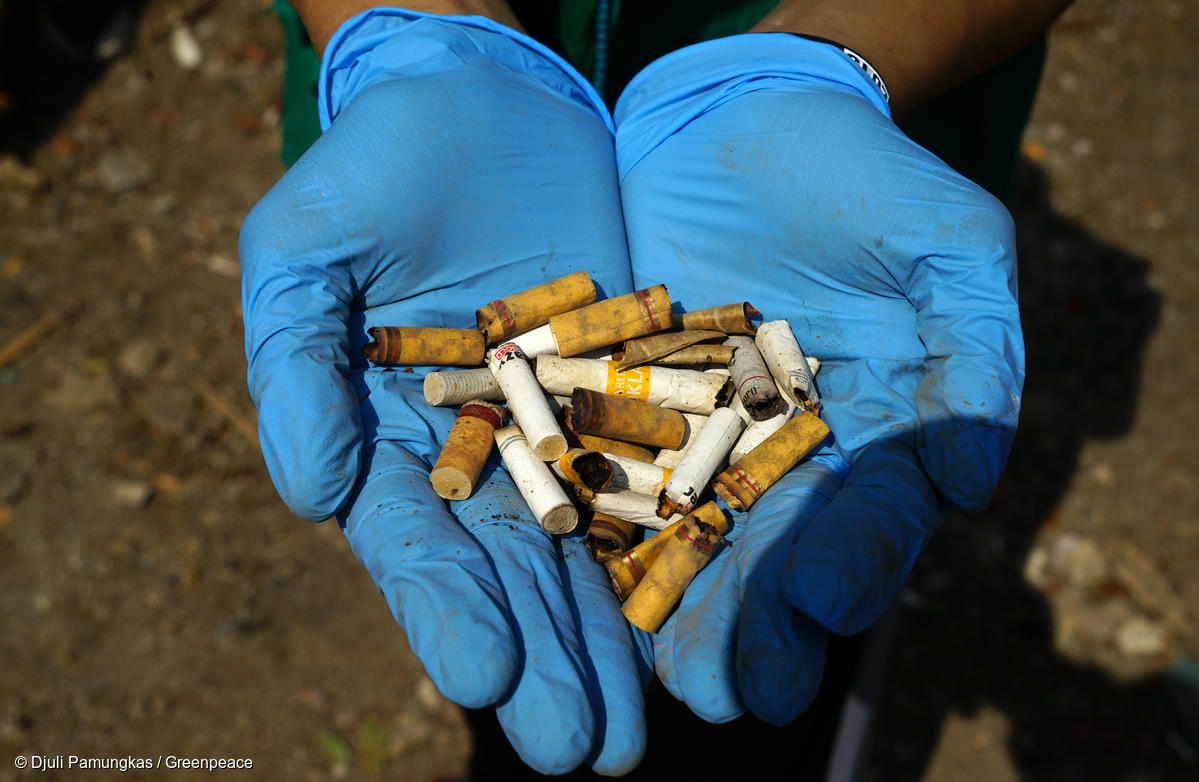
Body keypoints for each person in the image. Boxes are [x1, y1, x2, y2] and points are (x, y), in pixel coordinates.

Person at [238, 1, 1072, 775]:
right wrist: (420, 32)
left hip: (880, 115)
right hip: (450, 170)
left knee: (783, 628)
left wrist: (825, 58)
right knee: (513, 638)